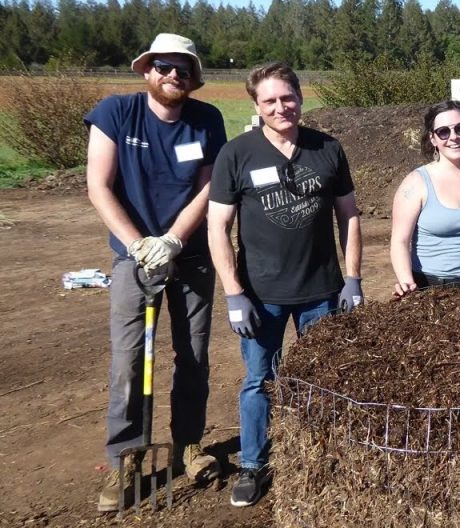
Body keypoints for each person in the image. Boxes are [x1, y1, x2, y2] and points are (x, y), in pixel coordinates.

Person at [207, 62, 364, 507]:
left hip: (322, 293)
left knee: (324, 379)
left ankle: (323, 458)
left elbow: (349, 215)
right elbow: (217, 227)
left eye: (288, 97)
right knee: (259, 380)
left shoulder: (327, 148)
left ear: (300, 96)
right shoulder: (237, 154)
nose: (281, 107)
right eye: (270, 101)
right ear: (257, 105)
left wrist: (353, 279)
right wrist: (233, 293)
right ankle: (253, 465)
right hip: (262, 296)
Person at [85, 33, 225, 512]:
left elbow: (209, 189)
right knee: (130, 361)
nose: (173, 76)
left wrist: (173, 241)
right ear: (147, 70)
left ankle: (189, 444)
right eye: (164, 66)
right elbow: (98, 185)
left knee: (194, 357)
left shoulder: (206, 119)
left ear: (193, 78)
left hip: (191, 257)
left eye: (183, 70)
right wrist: (139, 244)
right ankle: (125, 458)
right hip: (134, 258)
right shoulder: (116, 113)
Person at [390, 101, 460, 296]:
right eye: (443, 132)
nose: (454, 137)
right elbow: (400, 241)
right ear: (433, 139)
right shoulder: (416, 183)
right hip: (431, 289)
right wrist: (407, 282)